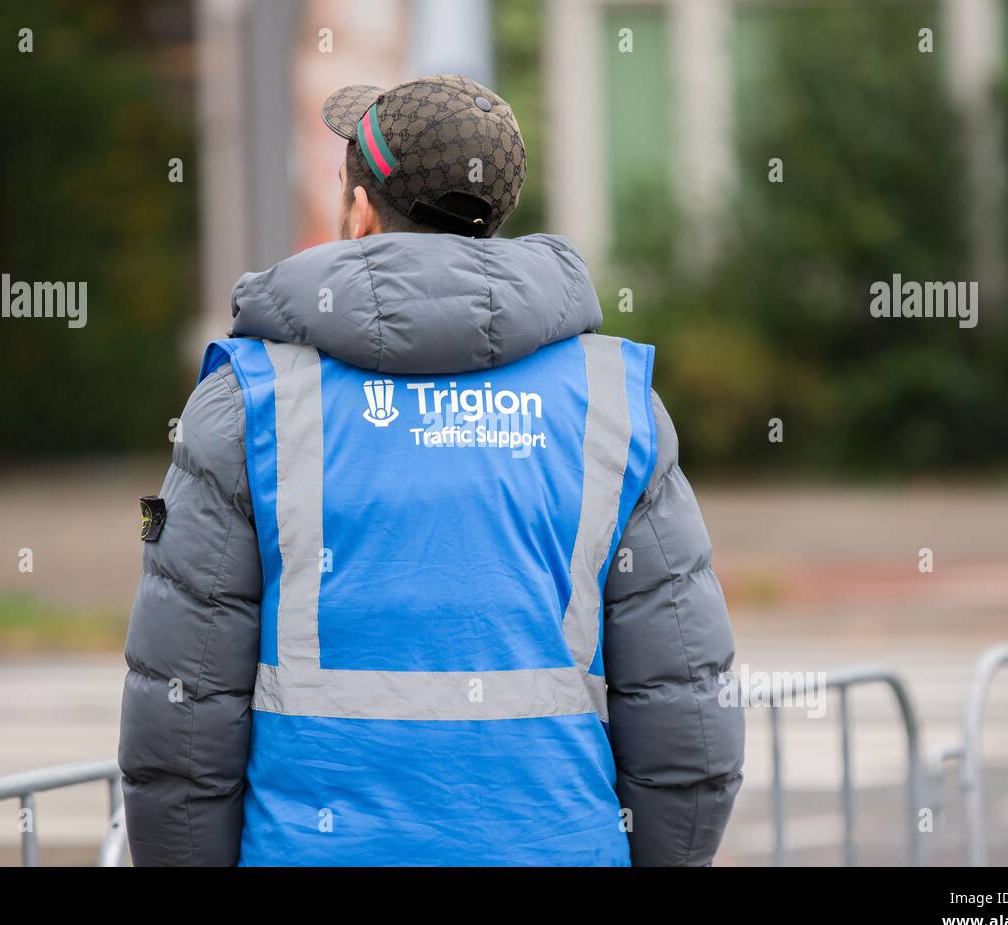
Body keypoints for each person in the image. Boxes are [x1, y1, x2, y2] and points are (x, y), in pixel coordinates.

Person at [118, 74, 743, 866]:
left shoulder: (248, 406)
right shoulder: (614, 409)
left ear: (361, 214)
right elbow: (688, 720)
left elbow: (181, 721)